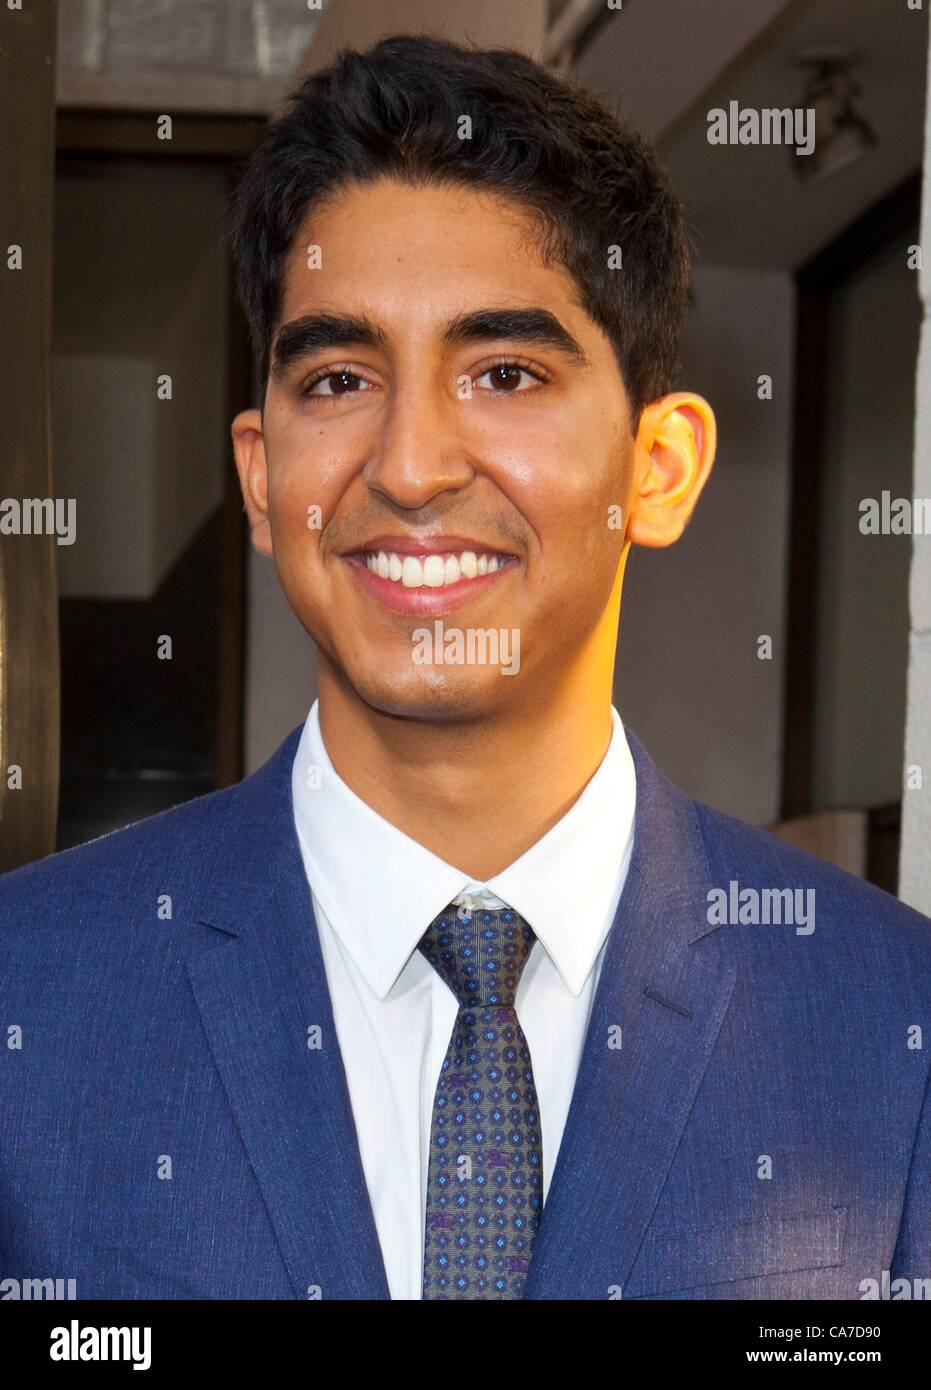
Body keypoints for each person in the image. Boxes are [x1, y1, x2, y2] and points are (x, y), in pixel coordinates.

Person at [1, 34, 929, 1302]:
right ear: (264, 480)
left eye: (504, 372)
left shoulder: (888, 1020)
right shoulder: (32, 992)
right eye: (338, 376)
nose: (413, 464)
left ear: (657, 469)